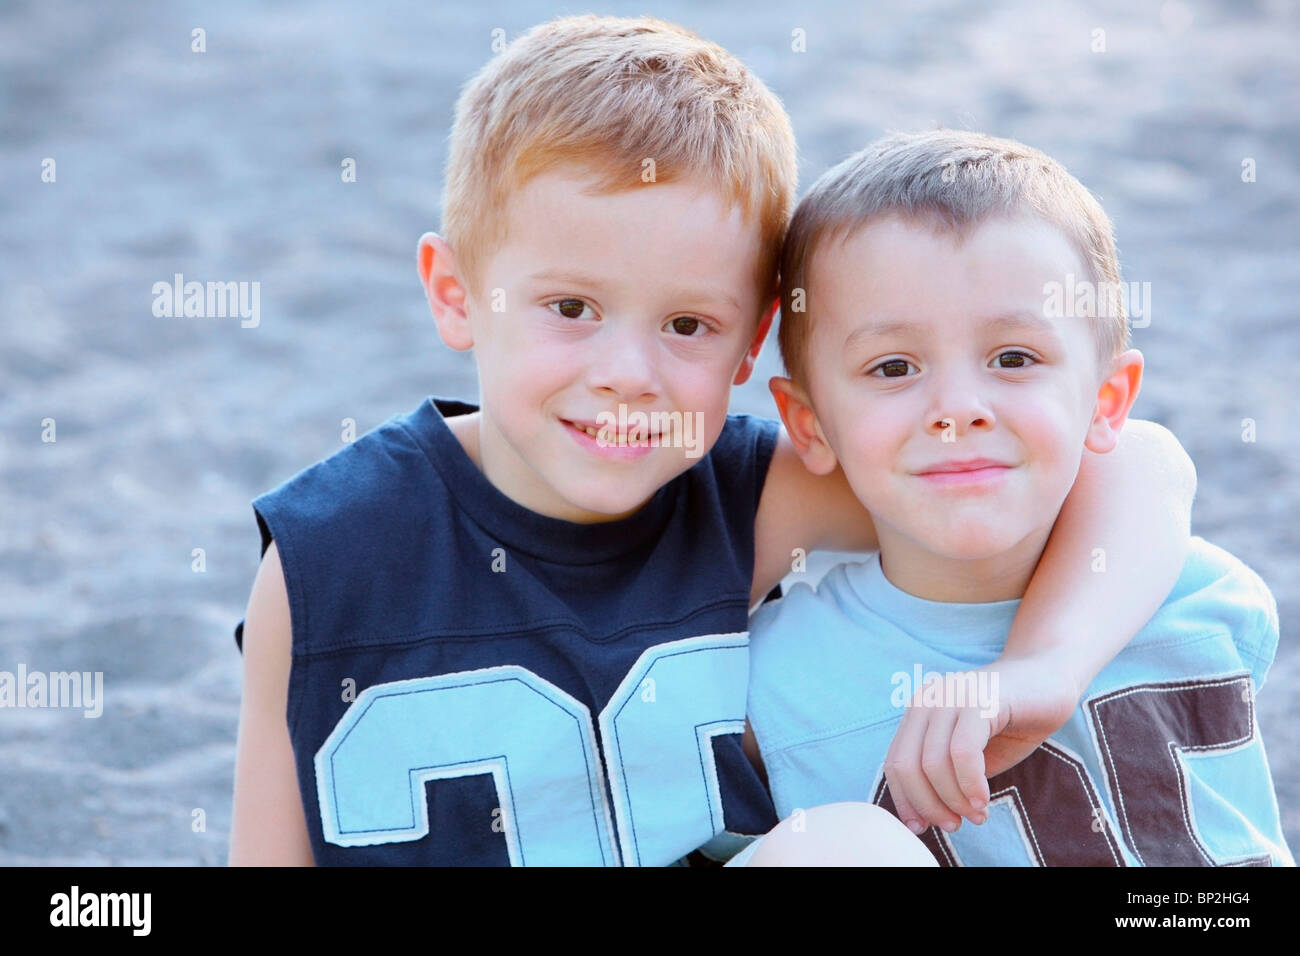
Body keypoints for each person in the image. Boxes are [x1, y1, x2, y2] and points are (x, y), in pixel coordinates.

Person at [228, 18, 1197, 866]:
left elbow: (1129, 459)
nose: (628, 371)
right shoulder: (328, 555)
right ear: (454, 293)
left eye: (688, 324)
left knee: (847, 849)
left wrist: (1043, 668)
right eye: (571, 307)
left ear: (749, 341)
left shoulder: (747, 494)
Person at [741, 129, 1293, 866]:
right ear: (808, 424)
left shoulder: (1196, 593)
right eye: (894, 365)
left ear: (1106, 399)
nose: (959, 407)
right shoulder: (776, 684)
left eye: (1014, 357)